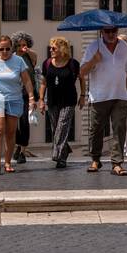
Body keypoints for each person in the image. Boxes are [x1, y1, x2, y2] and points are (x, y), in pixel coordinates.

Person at [0, 35, 36, 175]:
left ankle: (7, 162)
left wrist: (32, 98)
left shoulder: (19, 61)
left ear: (11, 48)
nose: (5, 51)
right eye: (2, 49)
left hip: (14, 99)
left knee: (10, 132)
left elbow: (26, 81)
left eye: (7, 49)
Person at [80, 25, 127, 176]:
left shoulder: (125, 47)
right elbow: (82, 72)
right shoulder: (93, 47)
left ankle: (117, 163)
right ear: (102, 32)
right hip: (99, 96)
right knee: (96, 129)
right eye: (107, 31)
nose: (111, 34)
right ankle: (95, 159)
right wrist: (94, 60)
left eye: (114, 31)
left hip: (120, 95)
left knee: (119, 128)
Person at [41, 37, 82, 169]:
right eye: (50, 48)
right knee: (56, 129)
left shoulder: (73, 64)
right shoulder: (47, 63)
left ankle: (57, 153)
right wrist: (41, 100)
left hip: (69, 101)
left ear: (62, 49)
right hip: (52, 101)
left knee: (62, 127)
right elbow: (43, 83)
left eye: (54, 48)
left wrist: (83, 95)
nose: (51, 50)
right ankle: (63, 156)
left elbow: (82, 79)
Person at [11, 32, 39, 164]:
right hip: (14, 93)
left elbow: (35, 57)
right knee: (13, 123)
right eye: (19, 45)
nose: (22, 47)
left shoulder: (29, 56)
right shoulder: (12, 58)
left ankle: (22, 151)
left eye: (25, 44)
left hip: (27, 93)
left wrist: (27, 50)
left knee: (24, 122)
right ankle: (18, 144)